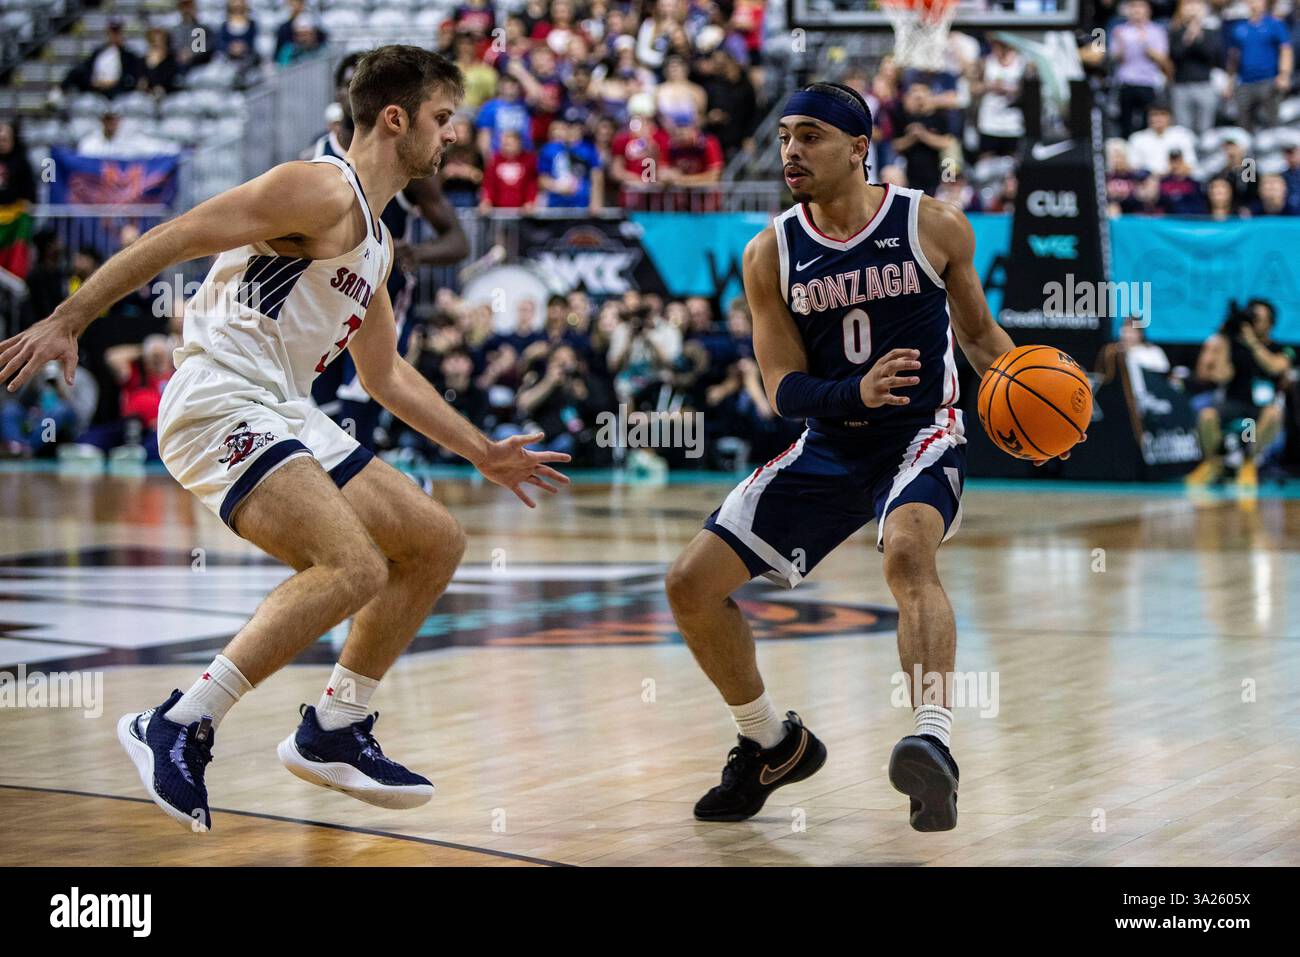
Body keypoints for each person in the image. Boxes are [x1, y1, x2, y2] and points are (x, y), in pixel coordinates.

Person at [0, 46, 570, 833]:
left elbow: (386, 376)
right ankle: (178, 721)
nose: (452, 138)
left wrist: (484, 451)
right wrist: (70, 316)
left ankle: (333, 728)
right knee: (352, 565)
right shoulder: (317, 186)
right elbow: (182, 232)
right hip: (219, 396)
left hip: (285, 408)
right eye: (443, 119)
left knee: (434, 541)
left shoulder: (377, 236)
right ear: (395, 118)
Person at [663, 82, 1068, 832]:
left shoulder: (933, 224)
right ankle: (769, 744)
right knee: (689, 583)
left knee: (909, 554)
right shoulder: (770, 251)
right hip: (829, 440)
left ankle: (932, 742)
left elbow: (980, 339)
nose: (790, 151)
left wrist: (1033, 412)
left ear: (859, 147)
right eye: (785, 136)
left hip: (921, 433)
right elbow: (784, 390)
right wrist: (855, 390)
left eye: (810, 135)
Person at [309, 52, 470, 451]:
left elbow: (457, 241)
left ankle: (359, 491)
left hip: (379, 290)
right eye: (344, 84)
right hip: (322, 293)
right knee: (321, 403)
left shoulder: (407, 161)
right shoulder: (314, 155)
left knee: (362, 394)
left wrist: (411, 252)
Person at [1187, 299, 1294, 487]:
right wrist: (1225, 341)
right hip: (1234, 403)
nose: (1254, 323)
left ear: (1270, 322)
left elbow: (1275, 367)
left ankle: (1249, 461)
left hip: (1259, 408)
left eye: (1259, 319)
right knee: (1207, 415)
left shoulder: (1282, 348)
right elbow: (1221, 376)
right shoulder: (1235, 345)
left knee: (1273, 414)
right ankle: (1213, 463)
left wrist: (1253, 343)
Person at [1225, 0, 1293, 133]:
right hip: (1245, 82)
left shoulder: (1274, 24)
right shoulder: (1239, 27)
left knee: (1272, 124)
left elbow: (1285, 50)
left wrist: (1284, 74)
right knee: (1244, 126)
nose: (1253, 3)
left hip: (1268, 80)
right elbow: (1233, 56)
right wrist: (1230, 80)